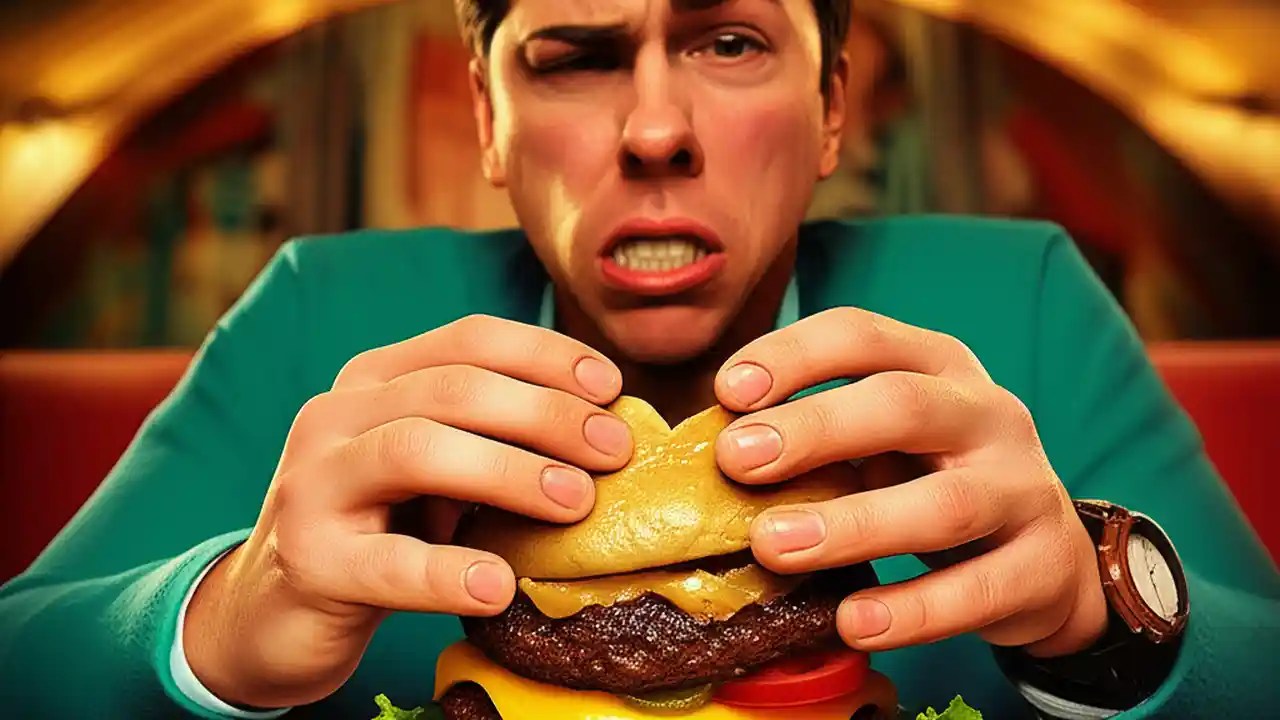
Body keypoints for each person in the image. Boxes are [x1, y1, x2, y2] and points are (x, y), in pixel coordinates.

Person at [1, 1, 1276, 718]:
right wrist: (218, 619)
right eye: (575, 56)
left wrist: (1087, 608)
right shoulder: (321, 320)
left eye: (727, 42)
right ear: (491, 121)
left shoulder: (1020, 299)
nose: (655, 128)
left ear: (833, 105)